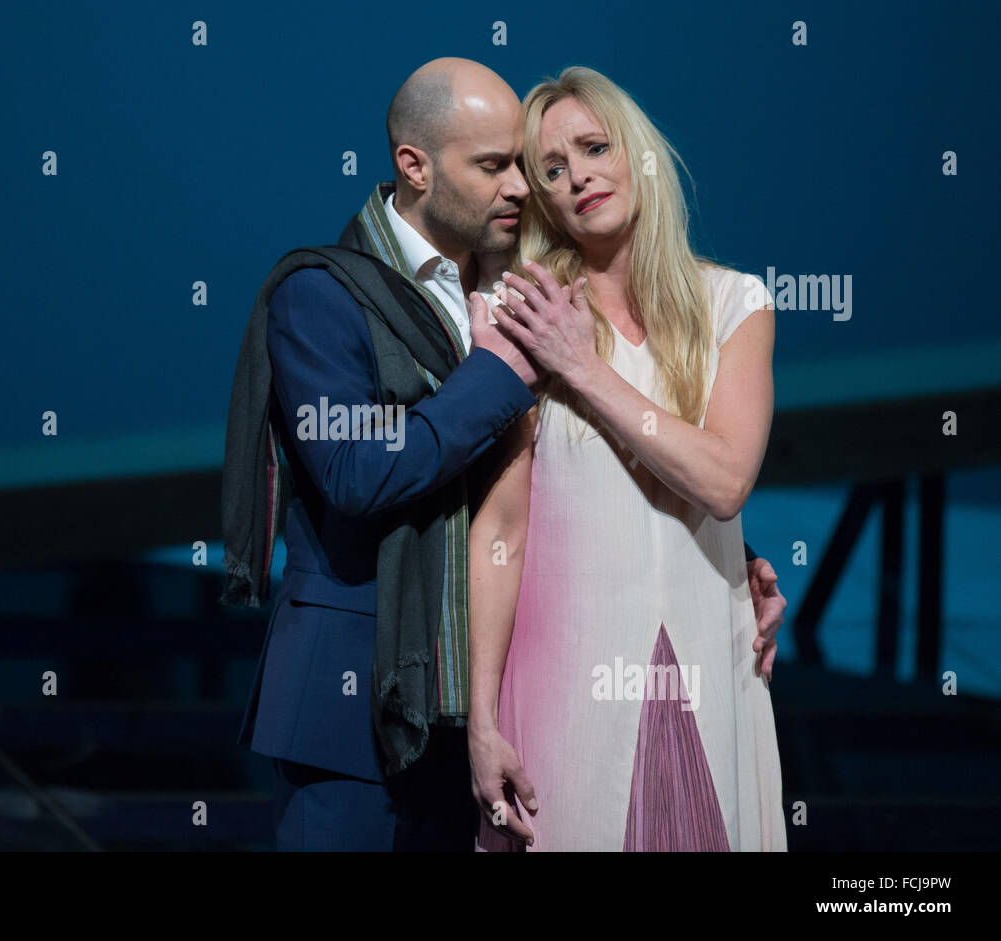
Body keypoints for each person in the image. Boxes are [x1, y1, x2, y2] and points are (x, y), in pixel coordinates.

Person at [221, 58, 786, 851]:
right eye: (504, 166)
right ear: (414, 165)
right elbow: (362, 474)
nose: (526, 187)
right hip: (356, 707)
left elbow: (568, 484)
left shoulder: (504, 288)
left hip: (465, 715)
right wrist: (503, 371)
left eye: (532, 166)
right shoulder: (324, 294)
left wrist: (727, 558)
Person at [468, 66, 787, 851]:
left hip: (715, 663)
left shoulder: (736, 306)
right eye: (551, 168)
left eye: (593, 146)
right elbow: (499, 528)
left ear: (635, 153)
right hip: (566, 682)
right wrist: (480, 717)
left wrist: (582, 369)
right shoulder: (520, 313)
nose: (576, 175)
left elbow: (721, 480)